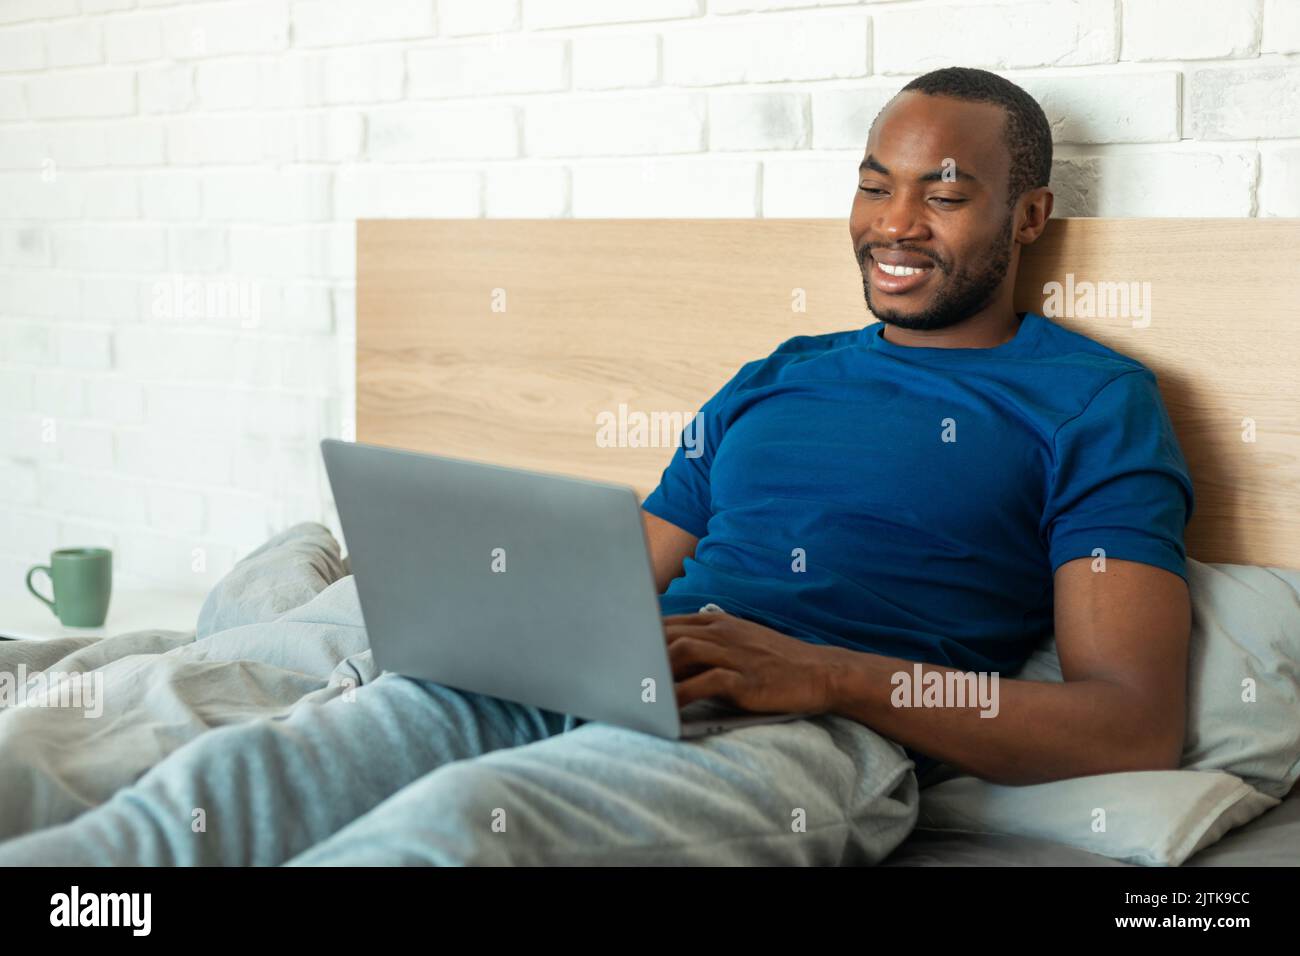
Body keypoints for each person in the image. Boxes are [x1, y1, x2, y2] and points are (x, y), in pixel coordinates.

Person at [0, 67, 1192, 867]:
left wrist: (824, 674)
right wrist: (478, 607)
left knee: (457, 831)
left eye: (945, 193)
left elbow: (1127, 723)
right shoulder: (778, 370)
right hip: (623, 661)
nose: (894, 222)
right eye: (874, 183)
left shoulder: (1092, 400)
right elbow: (624, 564)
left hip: (807, 730)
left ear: (1028, 216)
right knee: (243, 773)